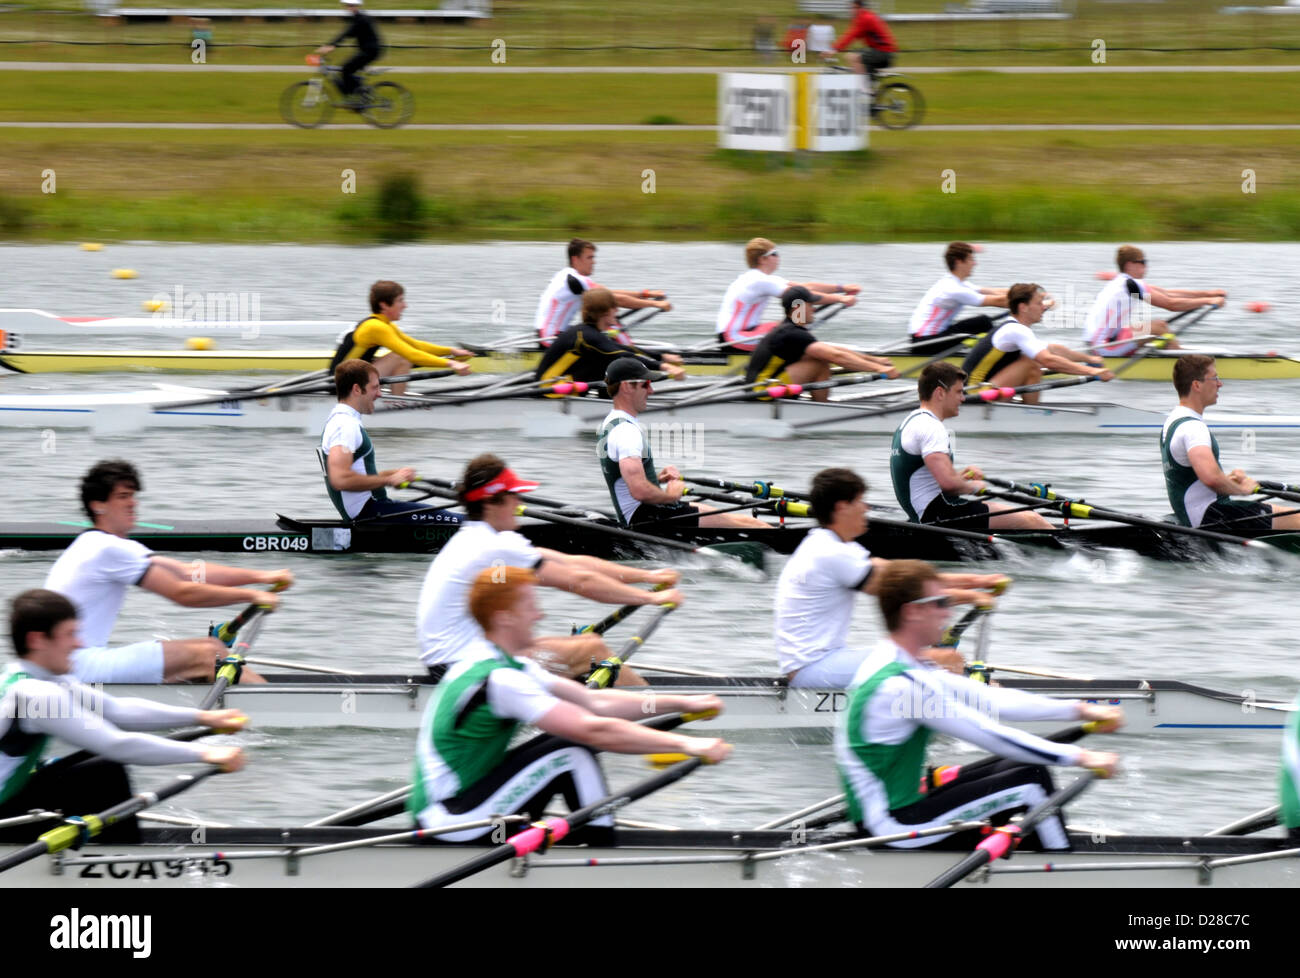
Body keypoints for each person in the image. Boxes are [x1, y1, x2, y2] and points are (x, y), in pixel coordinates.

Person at [409, 566, 731, 841]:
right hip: (452, 822)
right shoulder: (501, 680)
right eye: (529, 606)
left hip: (459, 809)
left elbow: (594, 702)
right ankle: (601, 856)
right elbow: (594, 729)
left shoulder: (499, 663)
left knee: (564, 742)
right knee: (572, 752)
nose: (540, 614)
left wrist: (683, 703)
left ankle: (589, 840)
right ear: (504, 618)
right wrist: (689, 745)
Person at [835, 560, 1121, 851]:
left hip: (894, 809)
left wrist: (1080, 710)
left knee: (1026, 766)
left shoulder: (895, 662)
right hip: (893, 826)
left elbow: (989, 700)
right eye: (940, 602)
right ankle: (1061, 870)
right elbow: (989, 735)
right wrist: (1082, 757)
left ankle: (1020, 852)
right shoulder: (902, 686)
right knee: (1032, 781)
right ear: (912, 611)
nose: (948, 611)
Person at [0, 590, 248, 842]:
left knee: (99, 769)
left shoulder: (37, 679)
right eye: (70, 635)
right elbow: (118, 744)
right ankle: (124, 865)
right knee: (107, 774)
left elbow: (117, 711)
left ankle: (111, 851)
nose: (80, 644)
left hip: (10, 800)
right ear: (37, 640)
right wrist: (206, 754)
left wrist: (204, 718)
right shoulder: (35, 694)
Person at [416, 454, 683, 686]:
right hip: (460, 667)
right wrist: (652, 598)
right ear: (491, 503)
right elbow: (578, 581)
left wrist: (648, 576)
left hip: (456, 658)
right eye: (512, 496)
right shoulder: (493, 546)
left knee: (575, 652)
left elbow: (573, 563)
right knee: (592, 649)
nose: (518, 503)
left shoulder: (482, 537)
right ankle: (654, 710)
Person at [43, 461, 288, 685]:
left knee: (197, 660)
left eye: (133, 496)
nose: (133, 503)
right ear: (98, 505)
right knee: (209, 653)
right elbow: (182, 594)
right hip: (77, 666)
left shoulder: (96, 544)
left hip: (66, 665)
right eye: (123, 496)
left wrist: (262, 577)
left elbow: (188, 572)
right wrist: (253, 597)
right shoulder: (108, 548)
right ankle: (281, 707)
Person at [775, 467, 1007, 688]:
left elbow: (908, 574)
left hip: (819, 664)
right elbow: (905, 589)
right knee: (947, 661)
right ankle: (975, 713)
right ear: (842, 507)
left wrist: (980, 582)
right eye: (859, 501)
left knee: (942, 661)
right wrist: (971, 597)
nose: (866, 508)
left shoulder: (827, 544)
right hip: (815, 669)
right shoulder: (832, 553)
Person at [598, 359, 769, 529]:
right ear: (627, 387)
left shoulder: (612, 422)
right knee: (755, 527)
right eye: (646, 385)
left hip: (651, 512)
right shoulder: (626, 432)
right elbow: (639, 491)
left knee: (748, 522)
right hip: (648, 518)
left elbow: (624, 479)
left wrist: (655, 478)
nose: (651, 391)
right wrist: (671, 496)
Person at [890, 362, 1053, 531]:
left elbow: (929, 483)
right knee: (1032, 519)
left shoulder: (910, 422)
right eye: (959, 392)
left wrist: (961, 477)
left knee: (1018, 516)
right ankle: (1072, 553)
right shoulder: (931, 427)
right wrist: (974, 487)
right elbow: (948, 485)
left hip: (928, 514)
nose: (963, 398)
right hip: (941, 516)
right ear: (940, 393)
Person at [1161, 354, 1300, 533]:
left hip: (1198, 515)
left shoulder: (1173, 420)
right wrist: (1241, 489)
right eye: (1215, 378)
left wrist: (1228, 480)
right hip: (1214, 515)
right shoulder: (1193, 428)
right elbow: (1211, 478)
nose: (1220, 384)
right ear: (1196, 385)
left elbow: (1194, 476)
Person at [322, 359, 464, 525]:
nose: (380, 393)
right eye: (375, 387)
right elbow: (340, 479)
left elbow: (356, 475)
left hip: (375, 509)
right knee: (465, 523)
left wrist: (393, 475)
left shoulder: (343, 420)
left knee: (448, 516)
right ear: (356, 389)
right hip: (370, 513)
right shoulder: (345, 426)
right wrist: (388, 480)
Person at [962, 282, 1113, 405]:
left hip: (983, 389)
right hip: (974, 394)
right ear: (1023, 307)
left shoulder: (1015, 328)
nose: (1044, 307)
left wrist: (1090, 360)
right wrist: (1092, 372)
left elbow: (1054, 350)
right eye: (1039, 303)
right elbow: (1048, 360)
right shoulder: (1016, 330)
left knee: (1037, 357)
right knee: (1032, 363)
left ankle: (1031, 410)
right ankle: (1032, 413)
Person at [745, 286, 897, 399]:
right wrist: (879, 369)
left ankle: (821, 405)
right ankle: (821, 407)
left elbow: (831, 349)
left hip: (762, 386)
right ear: (798, 308)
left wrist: (874, 359)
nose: (814, 309)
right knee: (820, 362)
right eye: (810, 305)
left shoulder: (790, 330)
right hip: (762, 392)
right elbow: (837, 357)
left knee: (821, 356)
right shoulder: (791, 333)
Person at [715, 237, 859, 352]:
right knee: (797, 315)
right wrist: (841, 298)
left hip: (747, 332)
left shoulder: (763, 278)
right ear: (762, 259)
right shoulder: (759, 281)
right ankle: (813, 350)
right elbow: (804, 296)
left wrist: (842, 288)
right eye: (774, 254)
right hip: (735, 339)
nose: (778, 257)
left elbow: (805, 287)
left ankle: (809, 343)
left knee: (792, 324)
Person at [330, 280, 472, 395]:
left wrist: (452, 351)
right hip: (342, 385)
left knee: (402, 356)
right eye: (400, 301)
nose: (405, 305)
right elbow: (411, 353)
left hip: (349, 378)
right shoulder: (375, 327)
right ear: (384, 305)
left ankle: (397, 400)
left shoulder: (383, 324)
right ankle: (397, 402)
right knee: (400, 357)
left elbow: (416, 346)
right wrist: (452, 364)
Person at [1082, 245, 1226, 356]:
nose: (1146, 266)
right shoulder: (1131, 284)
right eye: (1142, 262)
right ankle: (1183, 363)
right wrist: (1208, 301)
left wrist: (1209, 294)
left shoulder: (1123, 282)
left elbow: (1167, 293)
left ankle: (1173, 352)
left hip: (1096, 342)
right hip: (1102, 347)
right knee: (1159, 329)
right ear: (1130, 265)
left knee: (1159, 324)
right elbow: (1171, 304)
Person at [534, 238, 671, 347]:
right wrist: (656, 305)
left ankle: (627, 352)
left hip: (548, 334)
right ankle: (631, 355)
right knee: (609, 320)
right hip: (551, 339)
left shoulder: (566, 275)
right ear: (575, 259)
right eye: (589, 258)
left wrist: (647, 294)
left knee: (604, 320)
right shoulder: (576, 279)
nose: (594, 262)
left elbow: (608, 292)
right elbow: (616, 300)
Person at [535, 288, 686, 384]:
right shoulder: (586, 337)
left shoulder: (589, 332)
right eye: (615, 308)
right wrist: (664, 367)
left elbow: (621, 348)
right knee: (616, 363)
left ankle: (619, 397)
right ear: (604, 312)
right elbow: (622, 354)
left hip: (563, 380)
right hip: (549, 388)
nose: (617, 312)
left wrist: (662, 357)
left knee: (610, 361)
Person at [908, 242, 1009, 352]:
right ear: (959, 262)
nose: (975, 263)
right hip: (925, 342)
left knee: (982, 322)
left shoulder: (956, 282)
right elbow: (999, 301)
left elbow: (994, 291)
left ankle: (992, 351)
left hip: (927, 337)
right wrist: (1025, 301)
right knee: (982, 322)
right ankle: (997, 357)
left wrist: (1026, 291)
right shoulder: (953, 288)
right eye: (971, 259)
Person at [315, 0, 383, 105]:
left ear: (358, 6)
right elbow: (347, 33)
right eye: (348, 5)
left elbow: (346, 33)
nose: (349, 7)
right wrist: (331, 44)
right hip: (368, 50)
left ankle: (358, 98)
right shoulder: (358, 18)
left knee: (346, 70)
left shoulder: (361, 18)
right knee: (347, 70)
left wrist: (331, 45)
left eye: (352, 5)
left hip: (370, 51)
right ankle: (356, 95)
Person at [829, 0, 898, 83]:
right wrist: (838, 47)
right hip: (882, 51)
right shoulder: (866, 17)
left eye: (854, 8)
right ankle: (871, 85)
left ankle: (863, 89)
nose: (851, 10)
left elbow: (851, 35)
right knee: (857, 55)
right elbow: (856, 35)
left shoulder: (865, 18)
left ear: (861, 8)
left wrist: (834, 49)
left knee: (852, 57)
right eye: (851, 8)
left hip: (883, 52)